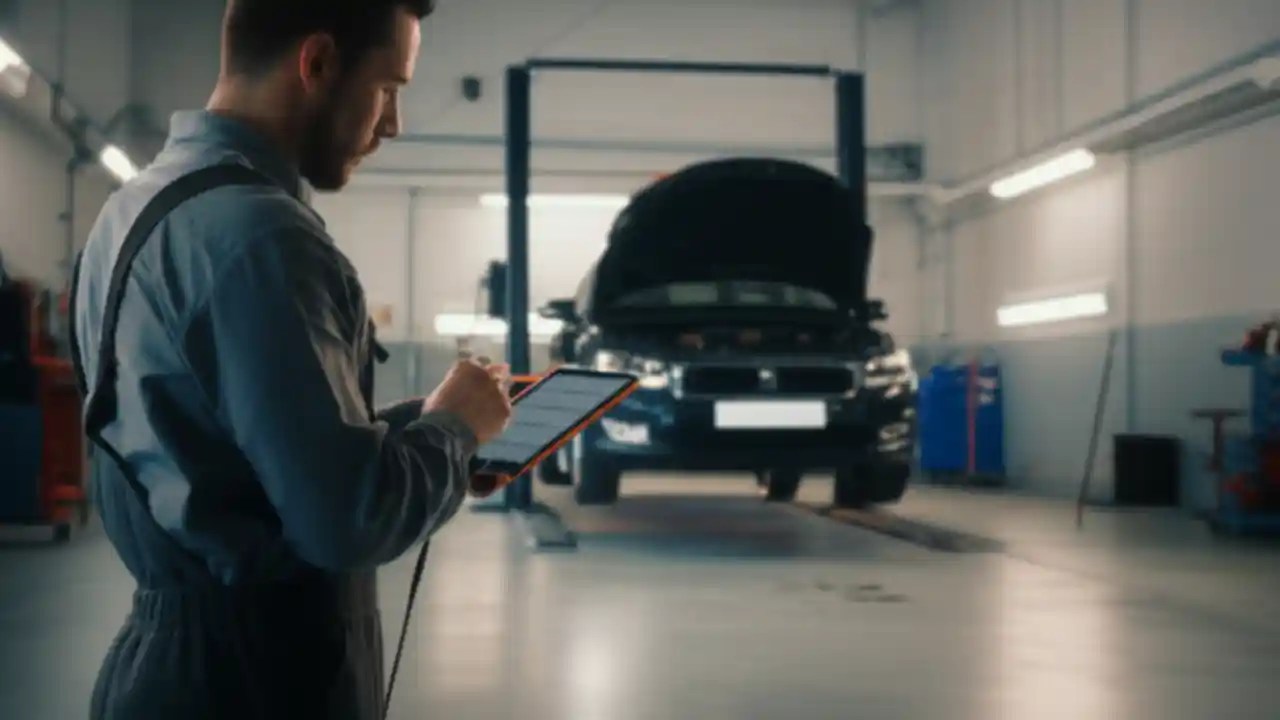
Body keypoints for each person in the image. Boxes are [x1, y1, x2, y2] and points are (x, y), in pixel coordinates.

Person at [71, 1, 513, 718]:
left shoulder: (133, 208)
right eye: (389, 88)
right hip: (258, 681)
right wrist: (453, 435)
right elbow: (346, 521)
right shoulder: (265, 236)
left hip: (171, 665)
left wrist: (425, 425)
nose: (392, 124)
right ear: (317, 64)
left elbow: (234, 443)